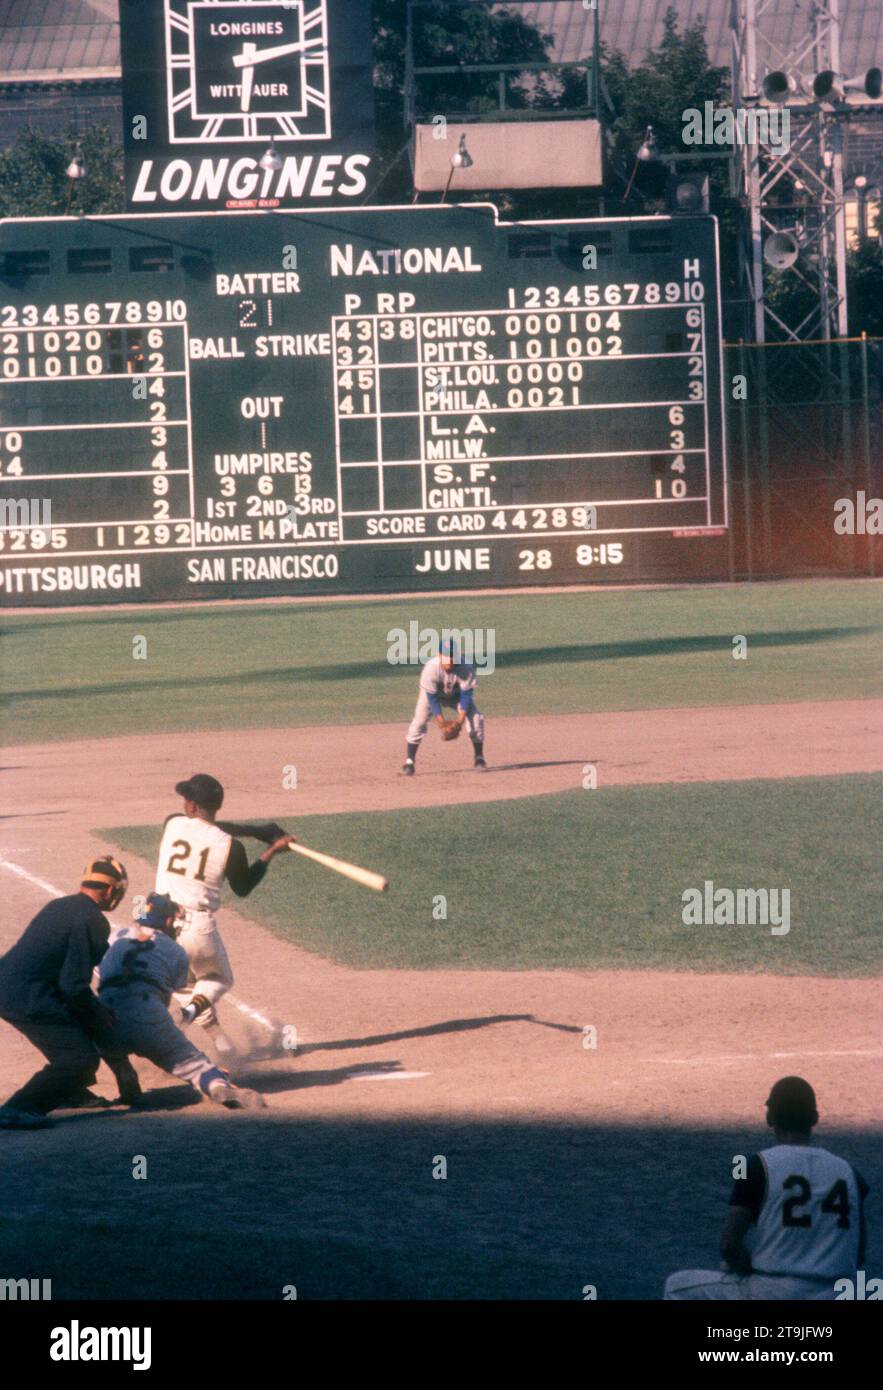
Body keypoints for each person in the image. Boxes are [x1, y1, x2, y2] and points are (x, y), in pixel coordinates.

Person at [664, 1076, 869, 1300]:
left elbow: (729, 1245)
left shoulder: (755, 1166)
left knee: (676, 1287)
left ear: (770, 1118)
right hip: (837, 1293)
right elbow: (858, 1254)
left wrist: (746, 1269)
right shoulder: (850, 1172)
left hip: (772, 1291)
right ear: (815, 1118)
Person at [155, 773, 292, 1049]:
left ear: (192, 807)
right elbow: (243, 887)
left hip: (163, 926)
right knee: (218, 979)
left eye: (186, 799)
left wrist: (256, 830)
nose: (183, 803)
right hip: (198, 930)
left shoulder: (173, 823)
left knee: (184, 984)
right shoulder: (231, 846)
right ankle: (198, 1020)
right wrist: (271, 849)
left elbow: (209, 828)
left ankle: (220, 1043)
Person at [96, 893, 265, 1110]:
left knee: (97, 1038)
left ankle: (125, 1075)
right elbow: (169, 992)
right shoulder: (175, 950)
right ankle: (216, 1086)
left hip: (108, 1019)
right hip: (149, 1017)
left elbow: (98, 973)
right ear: (167, 920)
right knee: (196, 1065)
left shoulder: (115, 936)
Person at [0, 858, 129, 1130]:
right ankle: (18, 1108)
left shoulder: (60, 904)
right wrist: (97, 1012)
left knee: (71, 1034)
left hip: (12, 985)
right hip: (27, 995)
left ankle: (70, 1091)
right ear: (109, 891)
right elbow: (73, 986)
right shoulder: (93, 920)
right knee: (81, 1059)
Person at [401, 638, 486, 776]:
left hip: (457, 696)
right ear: (439, 655)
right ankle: (409, 761)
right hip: (432, 695)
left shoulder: (465, 667)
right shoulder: (431, 668)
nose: (449, 659)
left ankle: (479, 757)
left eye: (452, 655)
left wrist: (459, 721)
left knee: (476, 718)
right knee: (419, 721)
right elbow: (432, 699)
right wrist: (441, 722)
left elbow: (466, 695)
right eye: (446, 656)